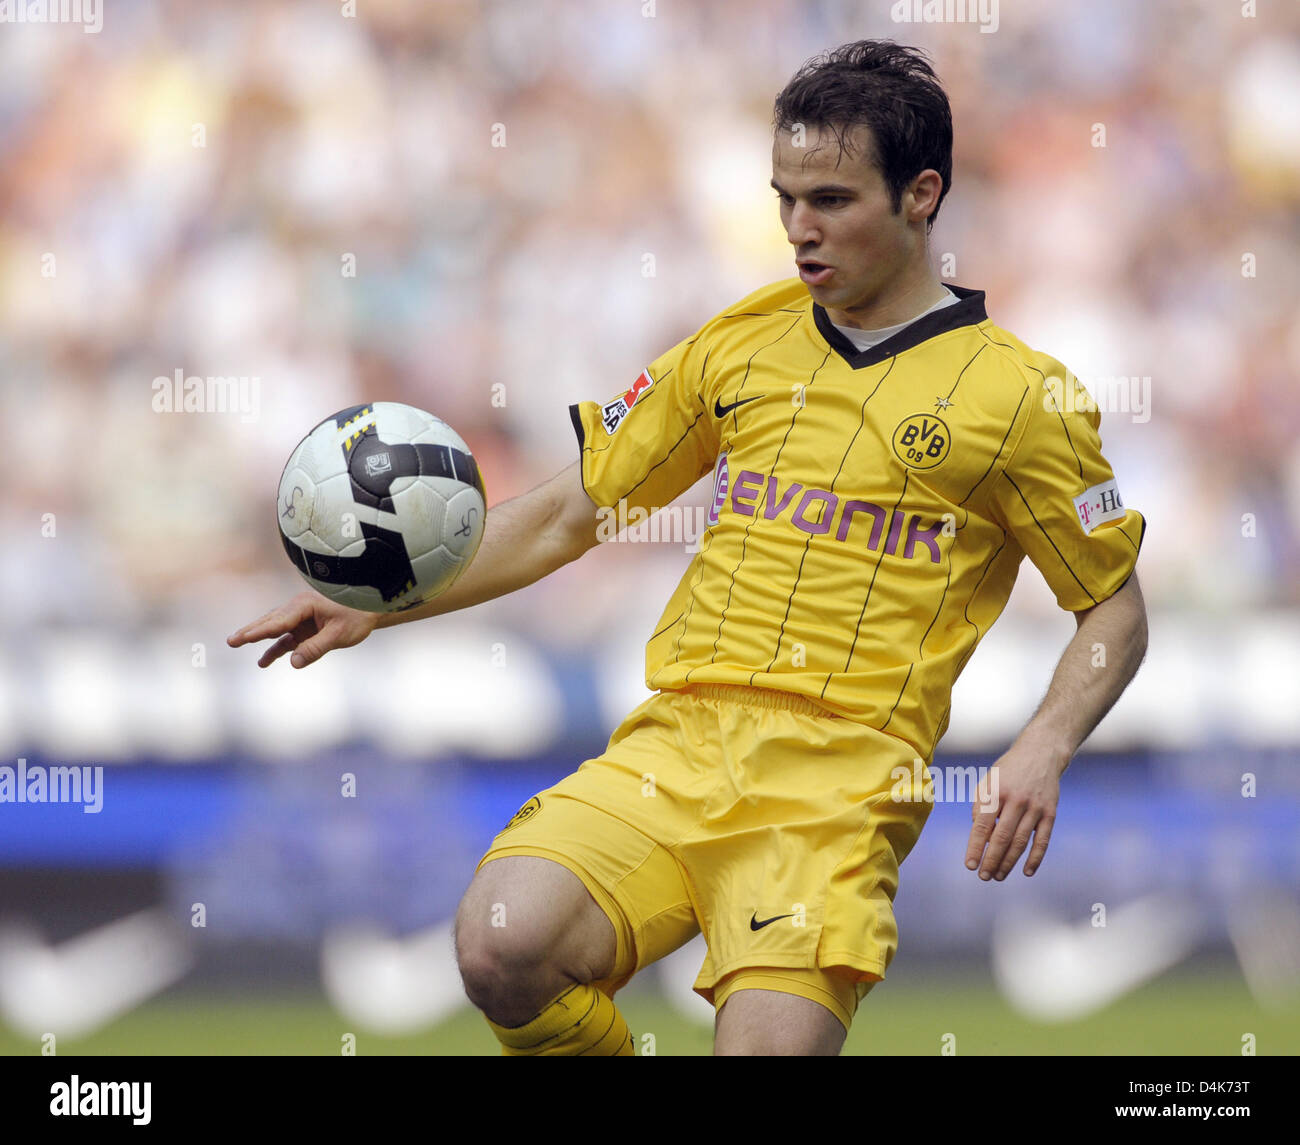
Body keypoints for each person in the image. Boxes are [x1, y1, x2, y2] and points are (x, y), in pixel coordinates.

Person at [229, 40, 1148, 1056]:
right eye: (784, 197)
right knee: (501, 941)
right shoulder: (740, 340)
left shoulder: (1021, 398)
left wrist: (1043, 742)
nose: (799, 228)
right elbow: (571, 513)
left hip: (838, 787)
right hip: (680, 738)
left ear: (921, 194)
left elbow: (1112, 608)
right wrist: (384, 596)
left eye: (831, 200)